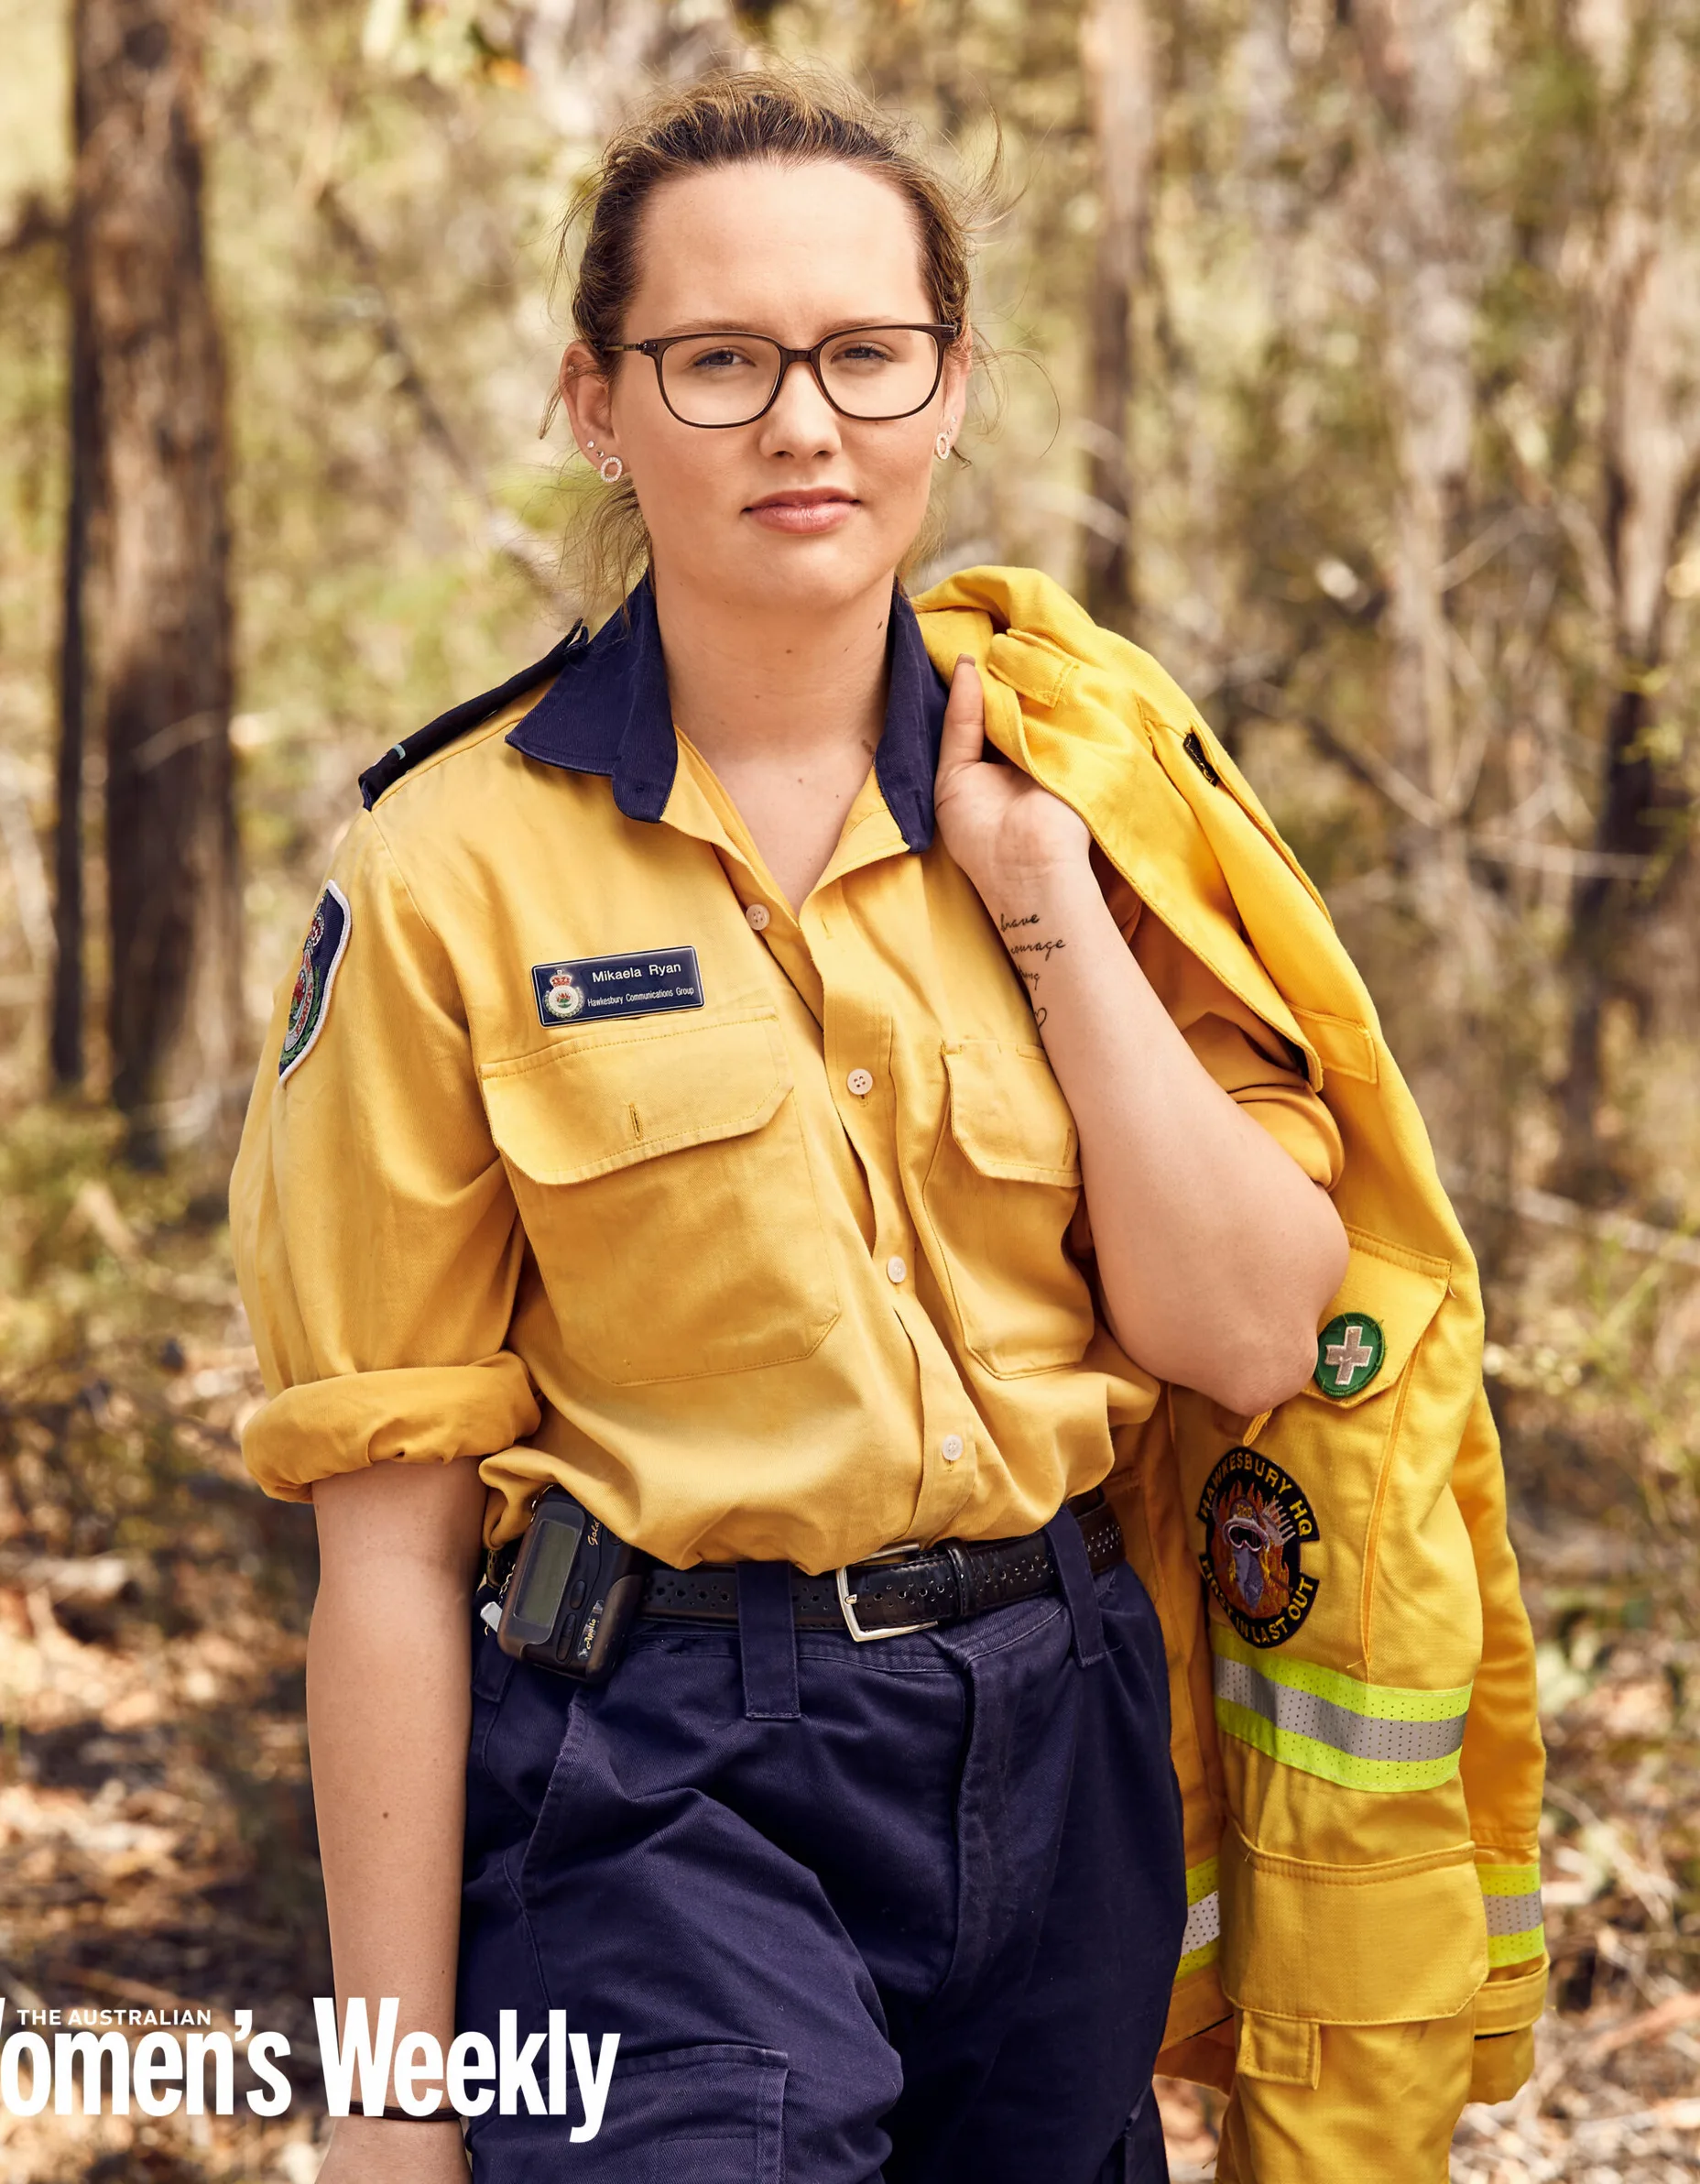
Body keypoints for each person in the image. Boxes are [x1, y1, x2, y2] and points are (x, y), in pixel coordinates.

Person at [230, 67, 1352, 2184]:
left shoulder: (1105, 806)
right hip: (659, 1770)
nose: (803, 423)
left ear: (948, 383)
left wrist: (1043, 906)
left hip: (1067, 1730)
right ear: (599, 398)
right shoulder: (443, 873)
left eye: (865, 353)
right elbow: (381, 1532)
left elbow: (1245, 1331)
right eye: (719, 361)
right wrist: (390, 2099)